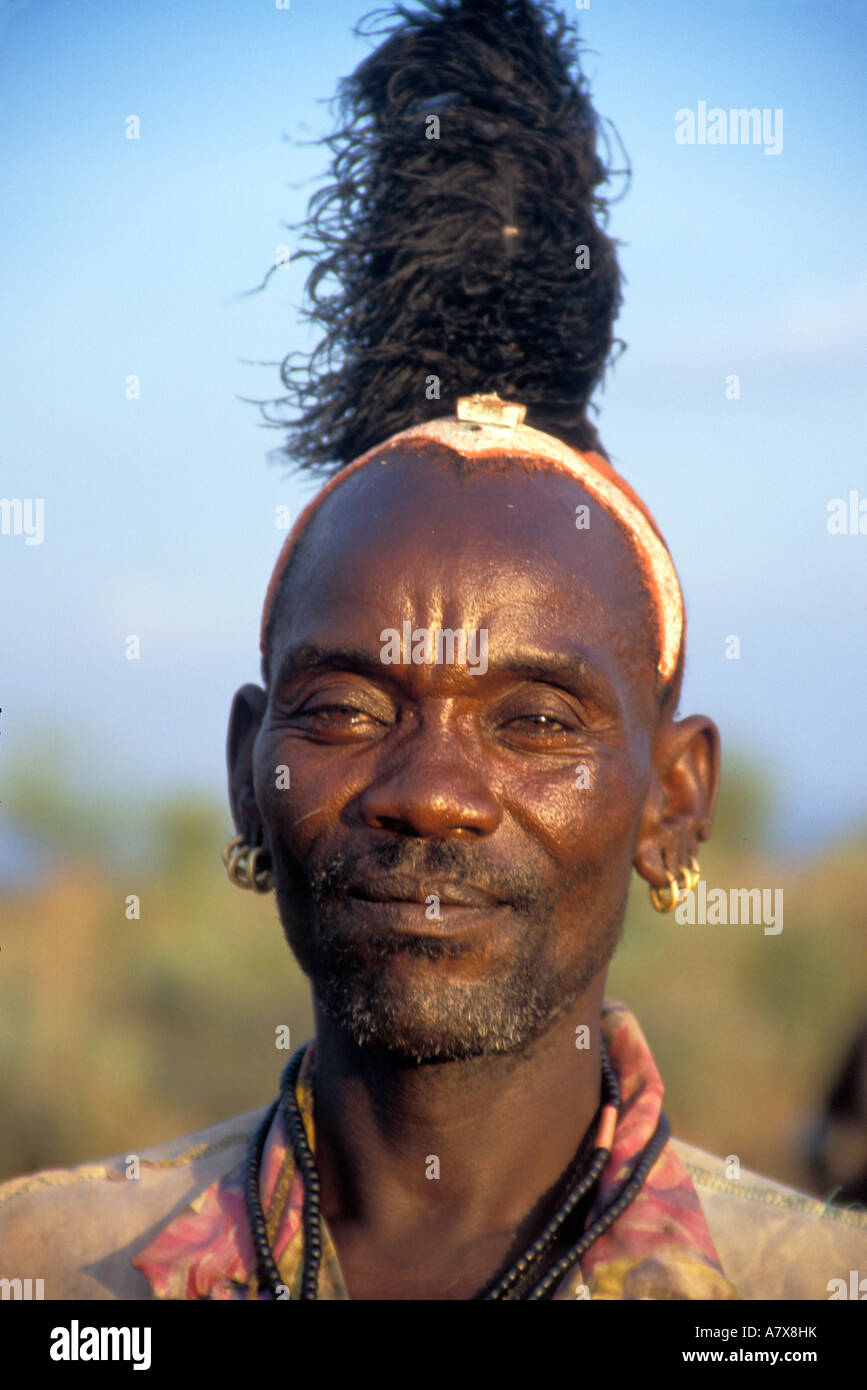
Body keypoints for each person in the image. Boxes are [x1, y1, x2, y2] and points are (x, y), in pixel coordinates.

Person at [1, 0, 865, 1301]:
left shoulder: (809, 1295)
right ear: (250, 770)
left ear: (675, 798)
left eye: (536, 717)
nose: (431, 791)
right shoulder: (50, 1274)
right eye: (345, 707)